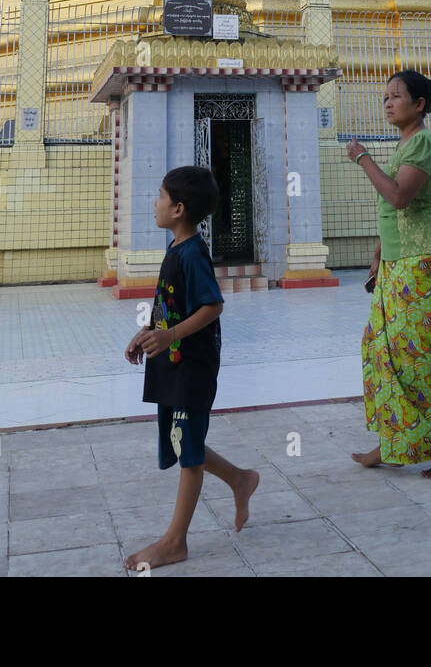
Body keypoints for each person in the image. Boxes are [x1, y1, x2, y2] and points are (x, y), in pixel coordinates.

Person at [123, 166, 259, 570]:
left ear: (178, 208)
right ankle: (239, 479)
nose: (155, 202)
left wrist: (169, 337)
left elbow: (212, 306)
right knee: (184, 440)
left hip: (192, 366)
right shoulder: (175, 249)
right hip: (171, 360)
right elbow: (171, 302)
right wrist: (147, 332)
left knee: (188, 451)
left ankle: (175, 542)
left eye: (160, 196)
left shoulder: (193, 254)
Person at [347, 70, 431, 480]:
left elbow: (399, 197)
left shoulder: (423, 143)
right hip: (399, 263)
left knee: (428, 356)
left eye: (397, 96)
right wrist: (379, 256)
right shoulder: (405, 144)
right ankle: (395, 440)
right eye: (384, 97)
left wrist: (361, 157)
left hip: (425, 263)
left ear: (419, 104)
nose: (387, 103)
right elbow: (396, 211)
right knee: (382, 347)